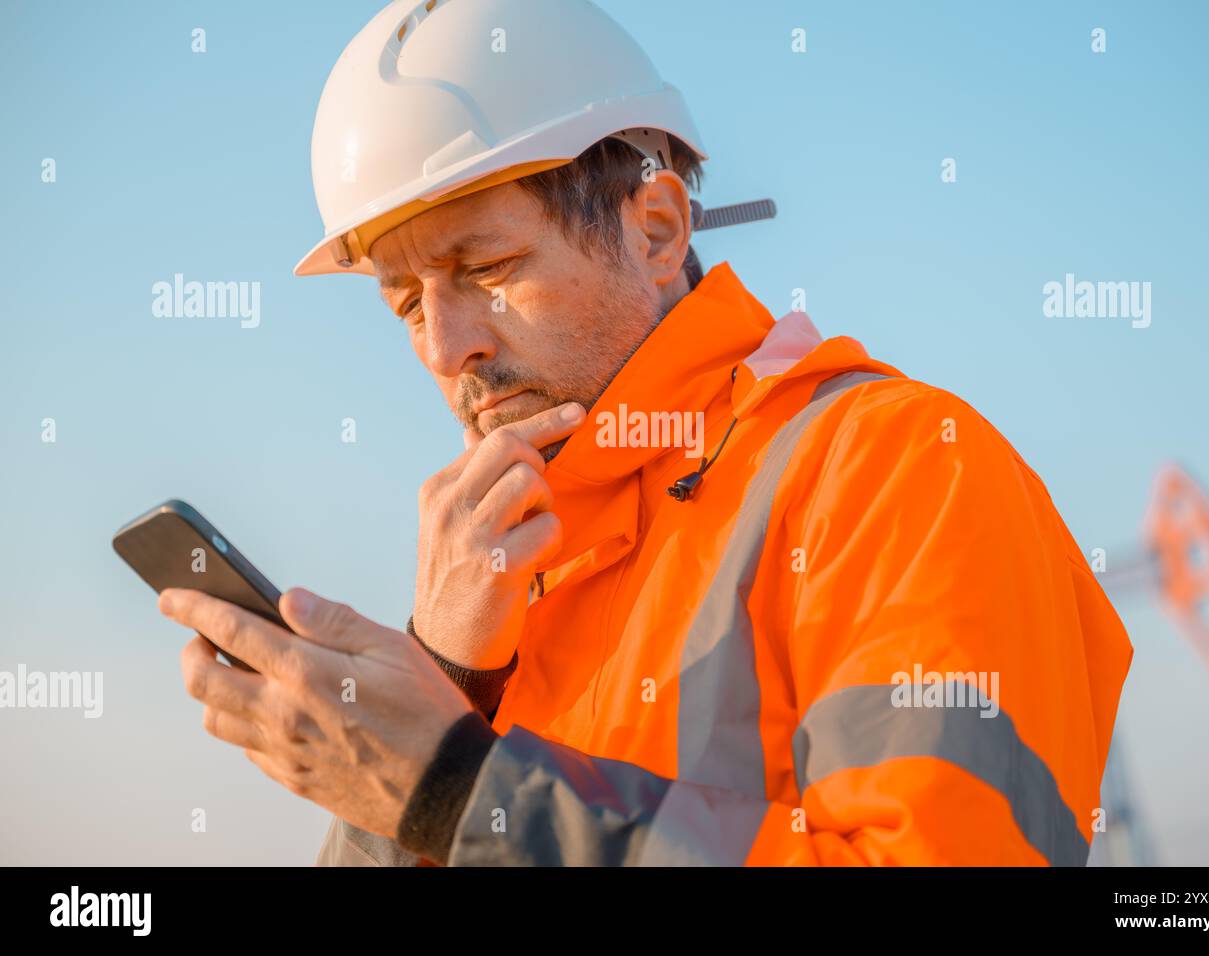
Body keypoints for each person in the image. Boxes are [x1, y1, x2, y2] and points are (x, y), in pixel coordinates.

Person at [161, 0, 1132, 866]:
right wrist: (438, 686)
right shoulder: (503, 582)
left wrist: (460, 790)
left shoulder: (898, 469)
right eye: (406, 302)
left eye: (488, 265)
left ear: (657, 227)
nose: (444, 347)